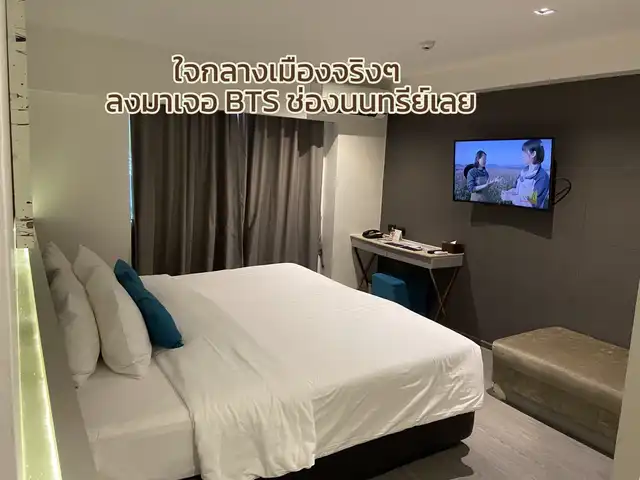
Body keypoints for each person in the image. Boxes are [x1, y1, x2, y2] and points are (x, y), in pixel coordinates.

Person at [500, 139, 550, 208]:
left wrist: (511, 197)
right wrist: (508, 192)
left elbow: (533, 202)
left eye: (524, 153)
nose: (522, 156)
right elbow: (517, 190)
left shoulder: (542, 177)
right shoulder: (523, 172)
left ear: (533, 154)